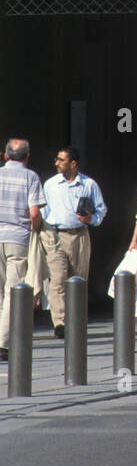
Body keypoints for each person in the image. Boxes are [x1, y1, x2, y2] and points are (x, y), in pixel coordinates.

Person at [41, 147, 107, 338]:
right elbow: (44, 212)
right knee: (58, 280)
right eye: (56, 159)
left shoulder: (89, 184)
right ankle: (60, 323)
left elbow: (101, 209)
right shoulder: (50, 184)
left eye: (61, 160)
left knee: (78, 280)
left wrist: (91, 219)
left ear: (73, 163)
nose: (57, 163)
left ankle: (75, 320)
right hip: (56, 235)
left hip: (79, 235)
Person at [0, 139, 46, 362]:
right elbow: (35, 213)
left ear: (5, 156)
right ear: (27, 157)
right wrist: (35, 230)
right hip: (18, 238)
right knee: (12, 291)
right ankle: (4, 343)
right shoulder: (30, 177)